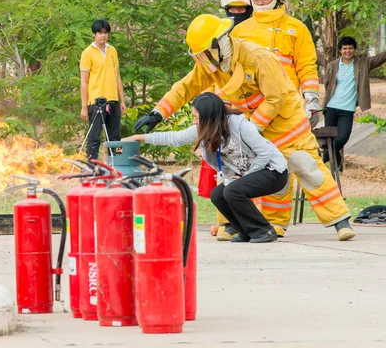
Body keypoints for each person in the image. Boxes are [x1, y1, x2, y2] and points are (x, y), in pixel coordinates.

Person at [133, 14, 355, 241]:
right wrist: (157, 113)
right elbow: (185, 87)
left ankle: (340, 220)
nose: (201, 60)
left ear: (218, 44)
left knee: (306, 166)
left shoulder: (257, 57)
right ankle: (236, 224)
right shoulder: (211, 62)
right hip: (251, 123)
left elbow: (274, 99)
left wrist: (250, 130)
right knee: (238, 171)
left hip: (285, 121)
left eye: (203, 53)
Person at [230, 0, 321, 236]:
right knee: (252, 164)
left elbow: (307, 67)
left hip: (288, 111)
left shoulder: (297, 29)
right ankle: (242, 221)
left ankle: (278, 222)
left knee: (286, 164)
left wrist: (312, 99)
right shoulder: (239, 31)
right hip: (251, 110)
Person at [125, 92, 288, 242]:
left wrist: (244, 177)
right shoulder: (203, 129)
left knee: (232, 190)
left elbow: (265, 154)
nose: (194, 121)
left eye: (197, 117)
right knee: (217, 194)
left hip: (273, 172)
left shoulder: (240, 126)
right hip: (249, 176)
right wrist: (138, 138)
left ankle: (263, 231)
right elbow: (173, 138)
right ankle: (246, 231)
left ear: (209, 116)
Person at [210, 0, 255, 240]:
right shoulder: (217, 31)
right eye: (232, 9)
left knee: (258, 167)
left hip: (256, 109)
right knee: (224, 166)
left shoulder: (260, 31)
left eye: (242, 9)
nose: (237, 14)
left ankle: (263, 221)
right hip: (226, 109)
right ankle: (227, 221)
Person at [323, 36, 386, 171]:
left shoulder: (363, 63)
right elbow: (327, 85)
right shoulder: (332, 66)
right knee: (328, 140)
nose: (347, 51)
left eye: (350, 48)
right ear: (340, 50)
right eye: (344, 48)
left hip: (347, 110)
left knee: (342, 138)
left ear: (354, 49)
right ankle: (337, 168)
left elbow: (380, 58)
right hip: (331, 108)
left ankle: (322, 159)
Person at [80, 20, 126, 160]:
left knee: (115, 138)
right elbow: (84, 81)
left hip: (113, 99)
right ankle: (91, 169)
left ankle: (116, 166)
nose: (103, 36)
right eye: (100, 33)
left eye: (105, 33)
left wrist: (122, 101)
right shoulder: (87, 53)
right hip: (96, 102)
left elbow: (117, 76)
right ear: (94, 34)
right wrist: (84, 107)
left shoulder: (112, 51)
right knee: (94, 138)